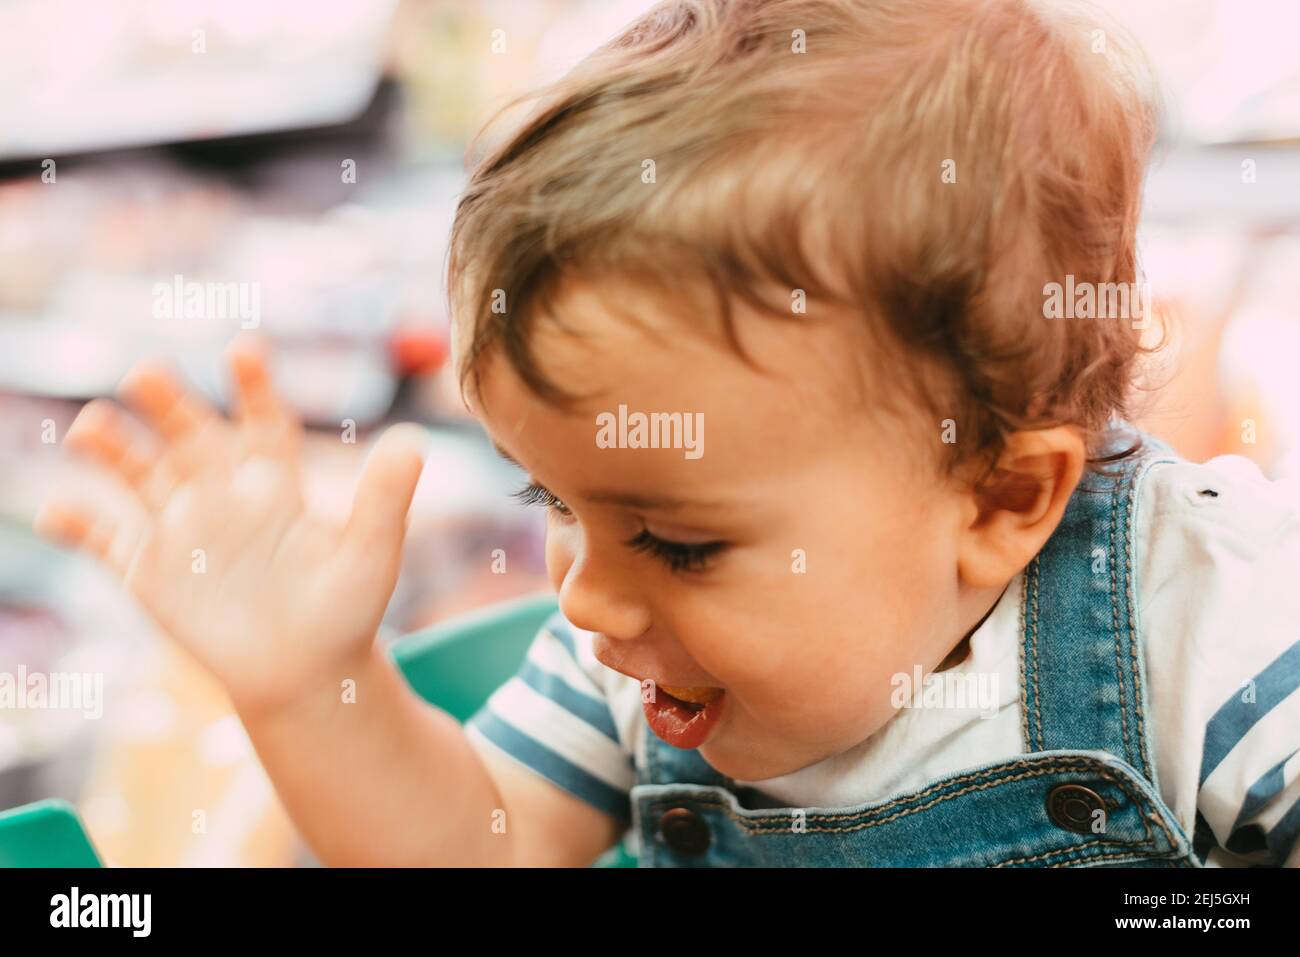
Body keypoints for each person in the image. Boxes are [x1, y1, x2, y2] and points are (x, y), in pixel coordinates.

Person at [36, 0, 1300, 866]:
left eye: (677, 542)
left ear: (997, 500)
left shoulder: (1204, 632)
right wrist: (312, 688)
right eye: (552, 505)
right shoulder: (629, 673)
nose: (586, 598)